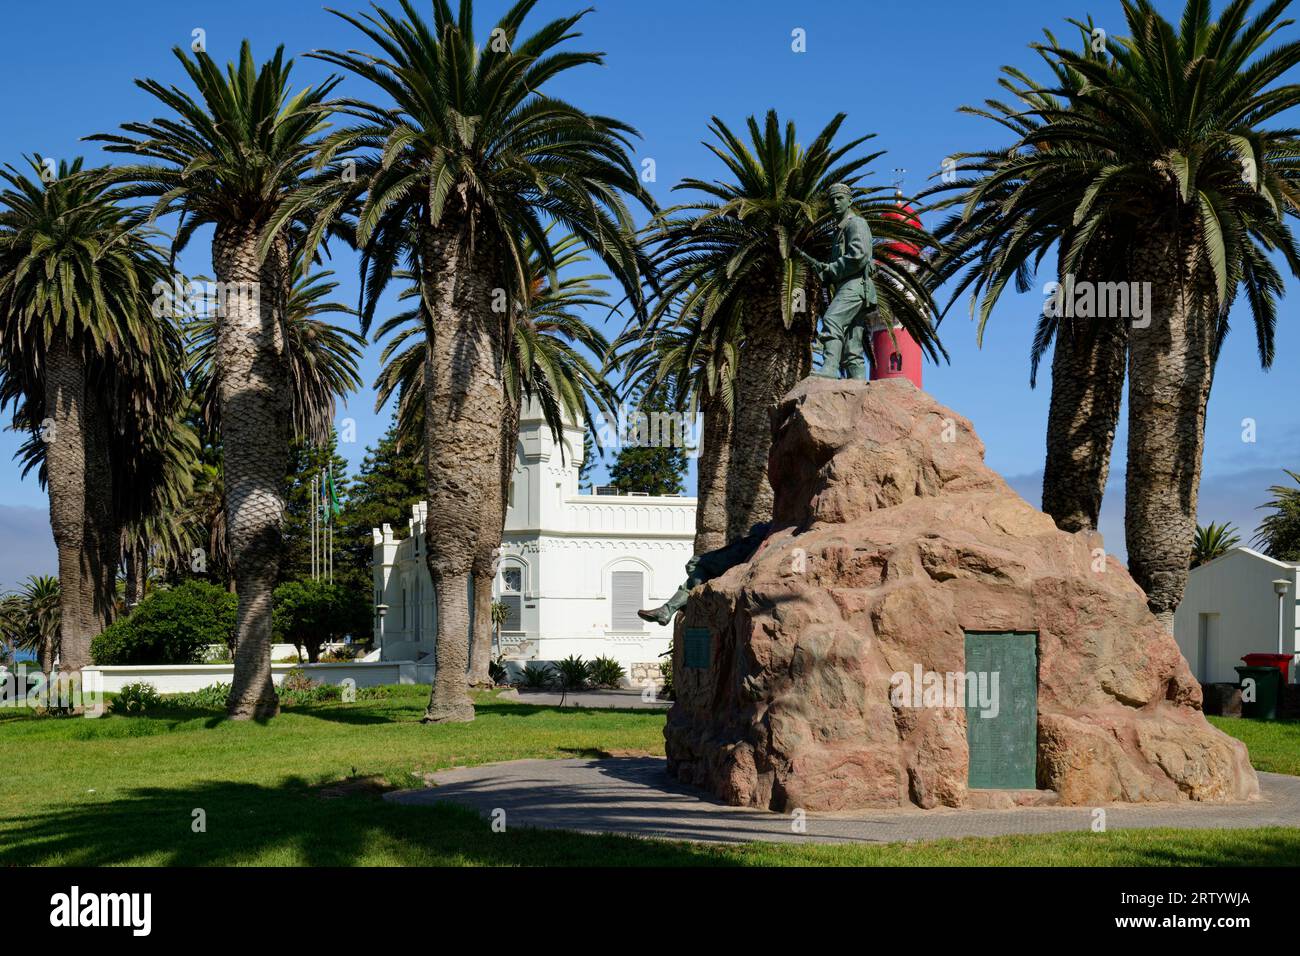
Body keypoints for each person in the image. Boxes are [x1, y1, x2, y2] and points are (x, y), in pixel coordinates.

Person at [797, 182, 877, 378]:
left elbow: (859, 255)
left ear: (850, 201)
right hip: (849, 286)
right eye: (831, 199)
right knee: (853, 341)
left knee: (832, 320)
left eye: (839, 198)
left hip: (855, 285)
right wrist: (827, 273)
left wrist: (831, 268)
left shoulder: (855, 223)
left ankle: (830, 368)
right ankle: (858, 382)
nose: (835, 202)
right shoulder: (839, 230)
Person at [637, 523, 772, 625]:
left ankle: (673, 607)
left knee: (696, 564)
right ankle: (675, 606)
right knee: (698, 568)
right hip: (752, 544)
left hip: (752, 545)